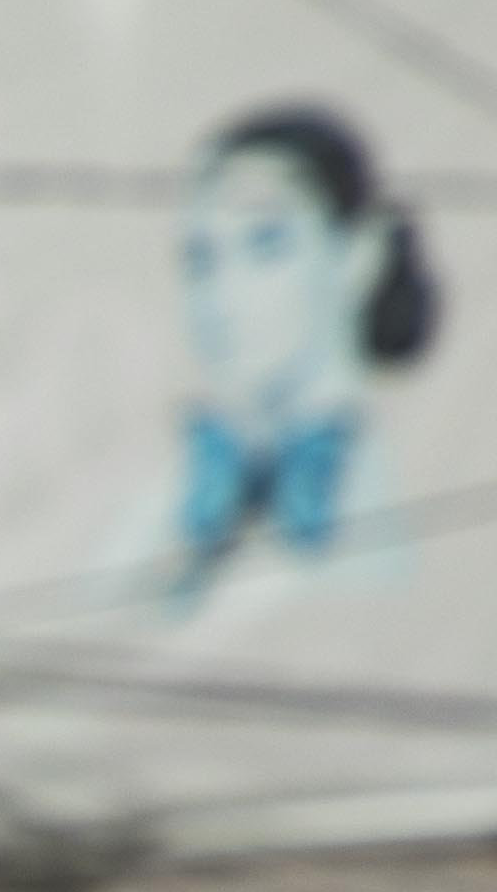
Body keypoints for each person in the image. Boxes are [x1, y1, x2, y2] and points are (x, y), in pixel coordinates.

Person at [170, 100, 436, 604]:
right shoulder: (175, 501)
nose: (223, 296)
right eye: (201, 259)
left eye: (265, 245)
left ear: (359, 251)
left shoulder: (381, 499)